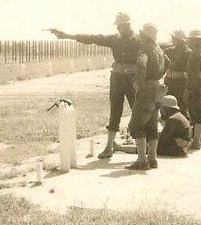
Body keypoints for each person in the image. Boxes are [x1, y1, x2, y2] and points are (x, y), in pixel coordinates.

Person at [49, 12, 140, 158]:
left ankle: (143, 147)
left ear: (128, 25)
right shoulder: (114, 39)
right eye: (118, 26)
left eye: (122, 26)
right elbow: (93, 38)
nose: (119, 29)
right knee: (115, 111)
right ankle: (109, 147)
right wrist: (69, 36)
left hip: (133, 80)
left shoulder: (140, 39)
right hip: (117, 79)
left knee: (137, 111)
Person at [126, 23, 165, 170]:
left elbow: (142, 66)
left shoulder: (145, 49)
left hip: (147, 89)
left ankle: (142, 160)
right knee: (152, 125)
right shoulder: (158, 49)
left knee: (137, 124)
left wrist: (140, 84)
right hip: (157, 88)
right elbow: (167, 63)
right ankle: (152, 159)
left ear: (144, 35)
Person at [184, 30, 201, 149]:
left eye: (191, 40)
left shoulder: (194, 54)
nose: (189, 42)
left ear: (196, 41)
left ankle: (196, 141)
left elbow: (192, 74)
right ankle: (199, 140)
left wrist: (188, 89)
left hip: (195, 86)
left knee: (196, 113)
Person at [163, 31, 190, 117]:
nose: (172, 40)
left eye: (174, 38)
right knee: (167, 102)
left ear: (180, 40)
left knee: (181, 104)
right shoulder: (169, 50)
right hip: (169, 80)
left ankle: (183, 121)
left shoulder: (188, 52)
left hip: (180, 82)